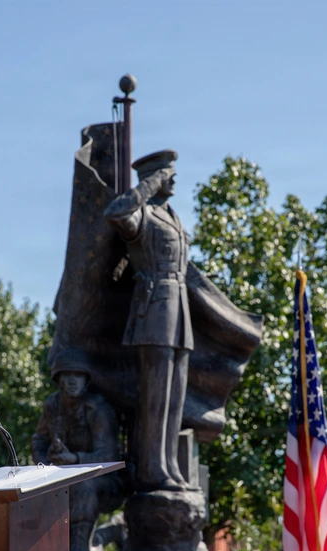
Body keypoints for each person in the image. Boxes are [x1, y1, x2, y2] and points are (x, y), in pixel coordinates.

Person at [103, 149, 192, 491]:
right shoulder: (143, 214)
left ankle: (169, 467)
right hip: (153, 311)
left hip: (178, 310)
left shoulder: (171, 215)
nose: (174, 179)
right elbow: (115, 212)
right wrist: (149, 183)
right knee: (155, 399)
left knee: (174, 399)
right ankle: (153, 470)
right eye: (168, 173)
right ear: (155, 177)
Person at [31, 353, 127, 551]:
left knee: (82, 485)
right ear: (59, 379)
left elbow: (109, 455)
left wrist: (74, 459)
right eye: (67, 375)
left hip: (105, 482)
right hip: (63, 476)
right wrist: (46, 464)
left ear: (86, 381)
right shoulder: (52, 405)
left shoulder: (98, 408)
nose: (72, 380)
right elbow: (39, 439)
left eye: (78, 375)